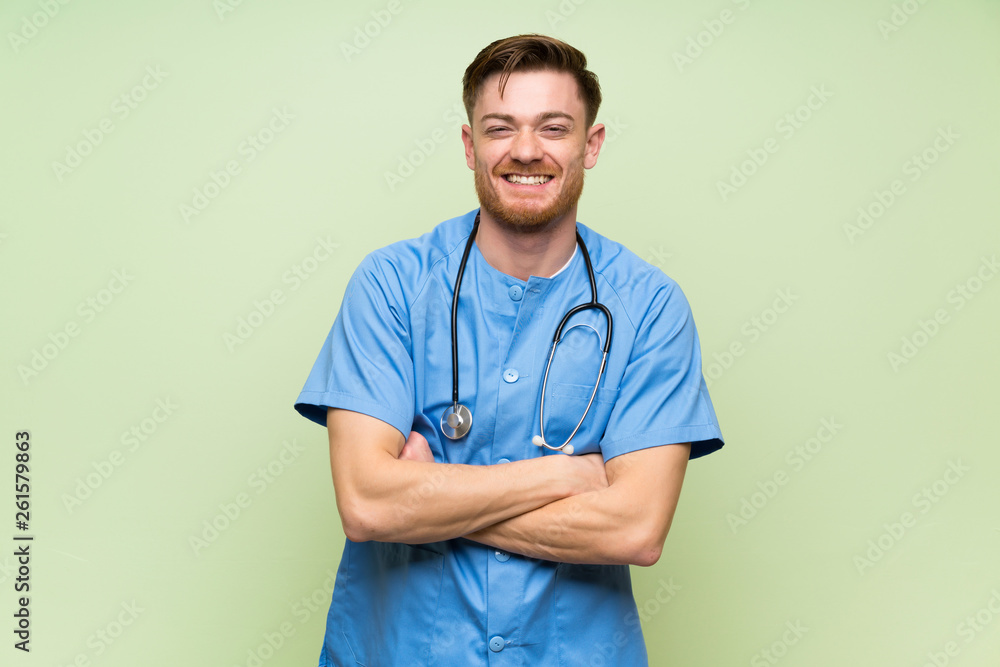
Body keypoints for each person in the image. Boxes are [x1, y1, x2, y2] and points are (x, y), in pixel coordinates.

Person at [294, 33, 724, 666]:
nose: (526, 150)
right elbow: (366, 506)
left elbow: (634, 528)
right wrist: (563, 476)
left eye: (553, 127)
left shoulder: (650, 306)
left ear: (591, 145)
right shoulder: (392, 286)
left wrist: (425, 494)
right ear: (470, 146)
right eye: (501, 128)